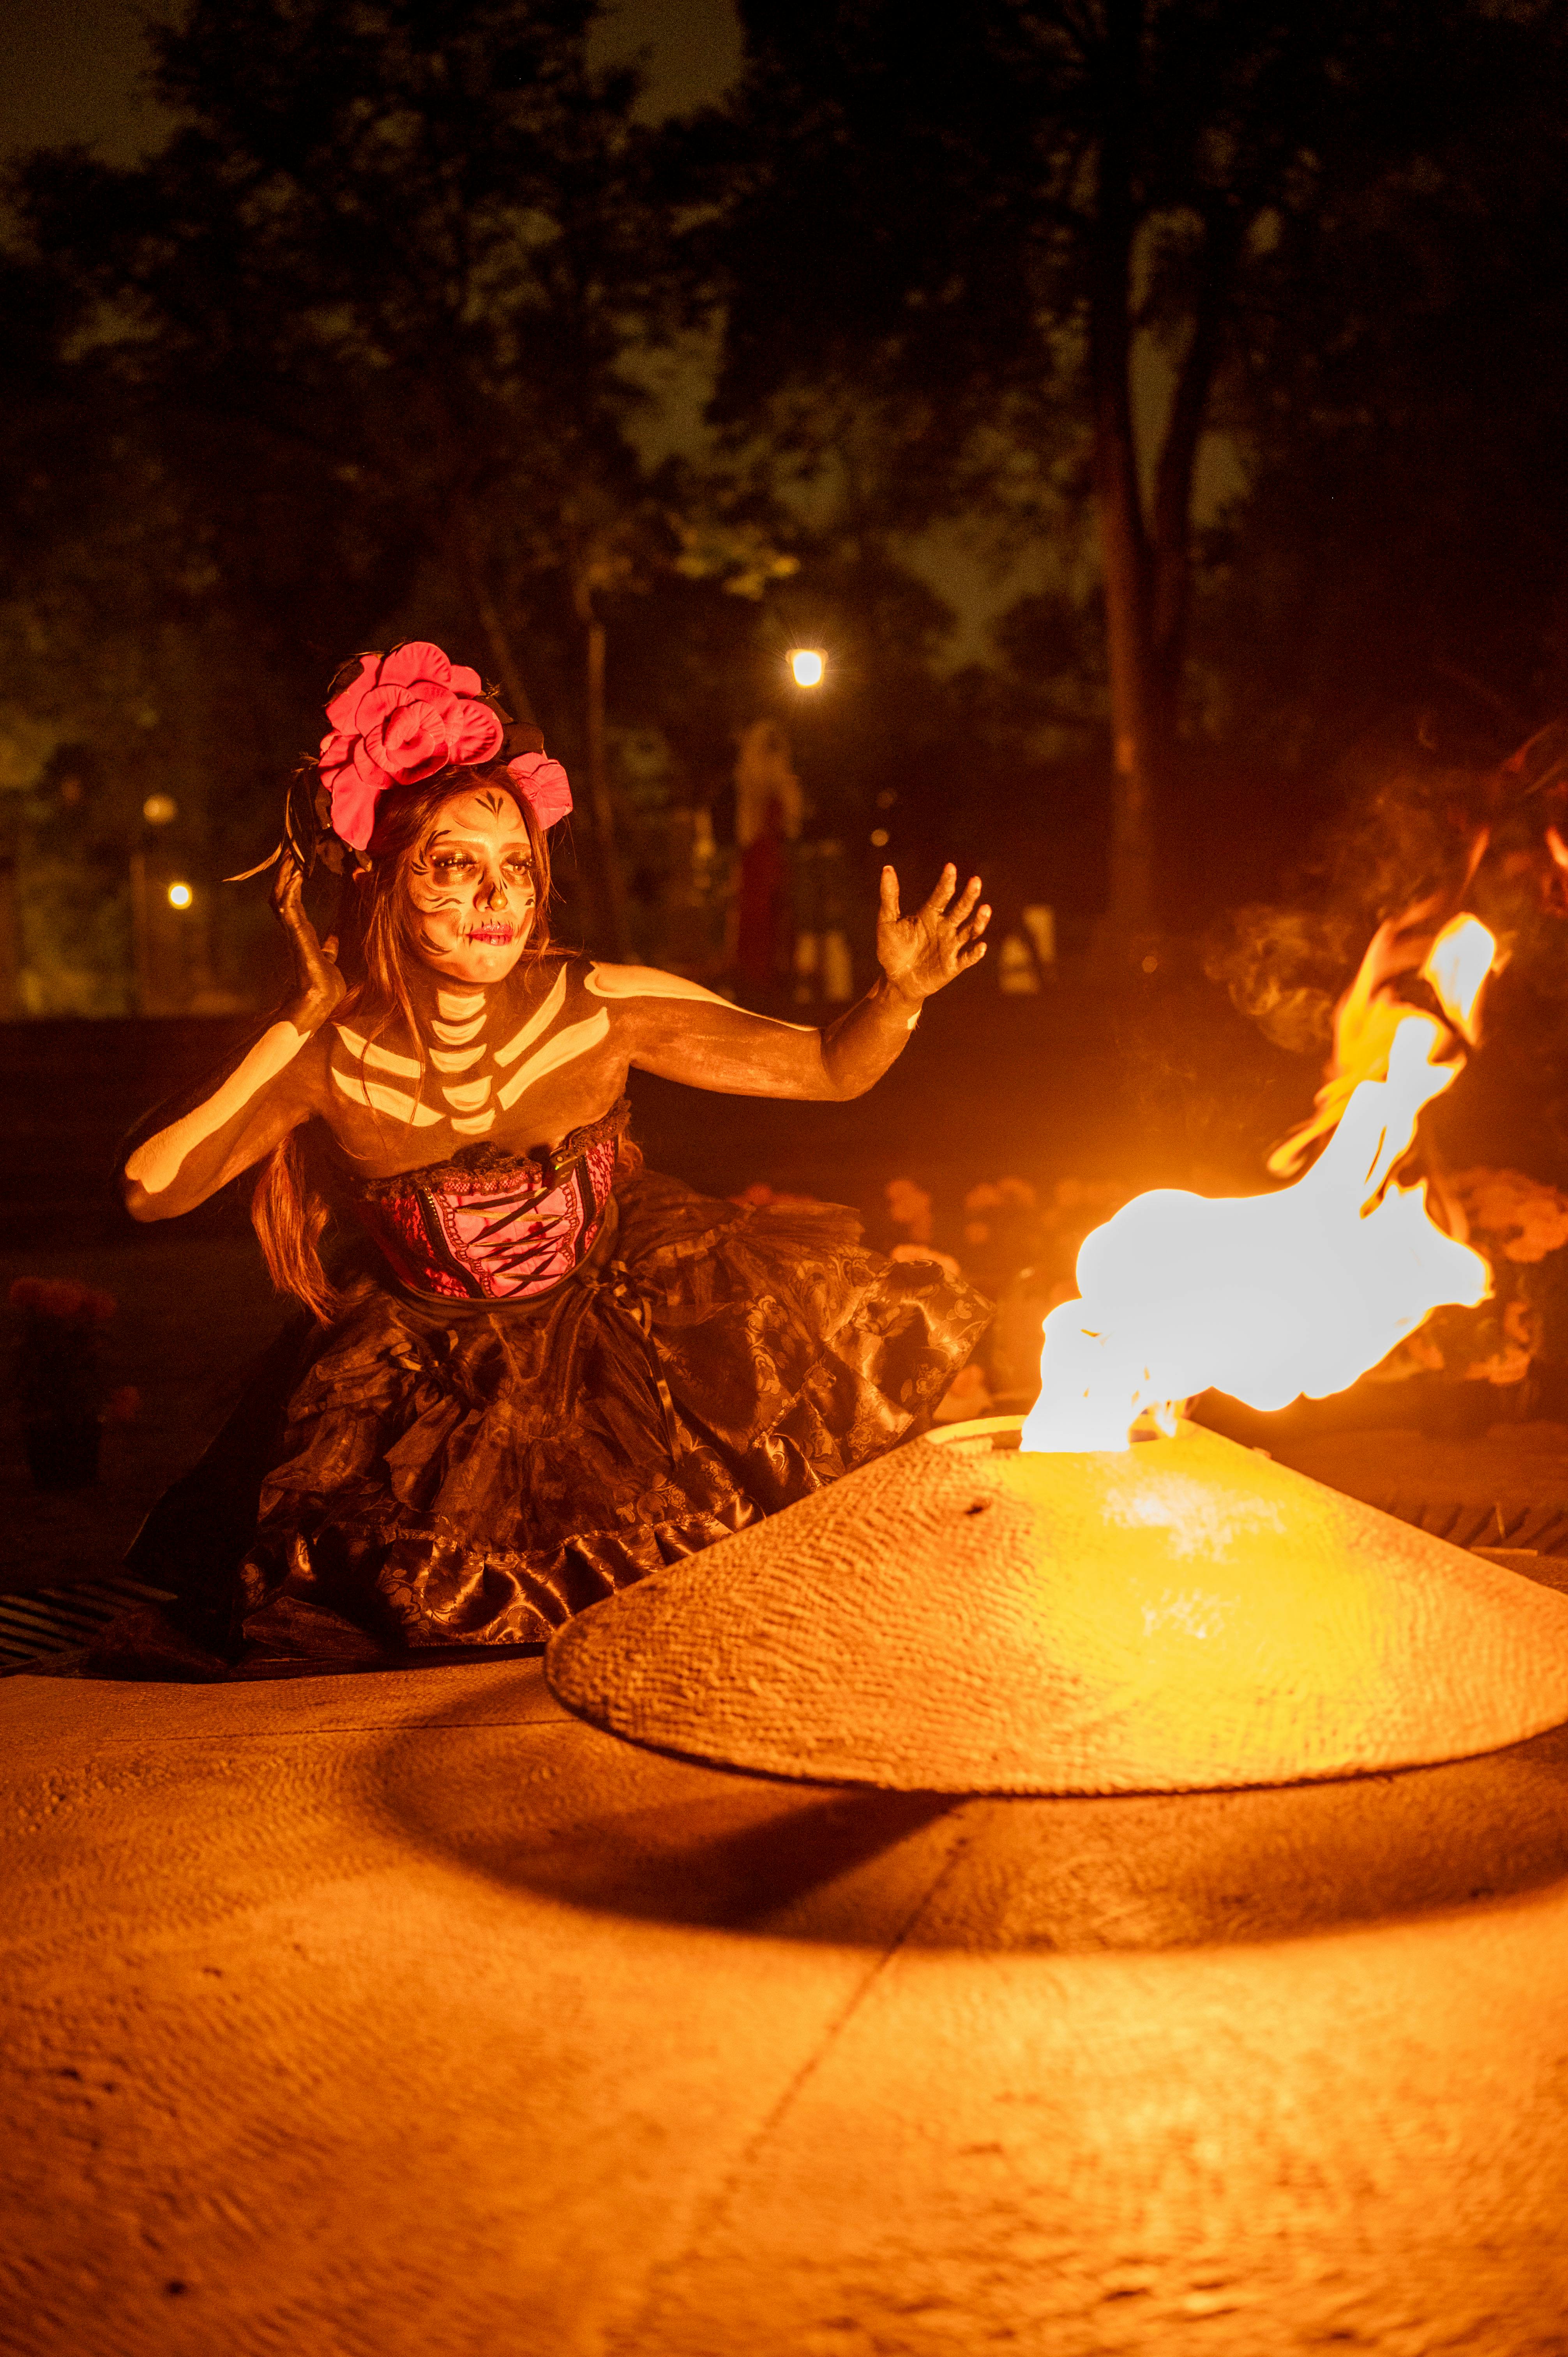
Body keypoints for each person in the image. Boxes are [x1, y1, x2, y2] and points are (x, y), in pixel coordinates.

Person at [117, 641, 992, 1673]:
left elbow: (830, 1070)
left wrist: (896, 998)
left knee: (683, 1617)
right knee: (432, 1635)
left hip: (624, 1346)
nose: (495, 898)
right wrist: (292, 1021)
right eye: (456, 866)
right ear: (386, 880)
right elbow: (153, 1191)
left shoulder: (602, 1008)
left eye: (516, 870)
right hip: (432, 1391)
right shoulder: (332, 1060)